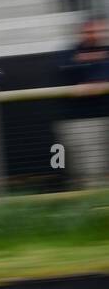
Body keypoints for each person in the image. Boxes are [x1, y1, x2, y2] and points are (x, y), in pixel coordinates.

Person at [57, 18, 109, 190]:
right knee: (84, 172)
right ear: (81, 33)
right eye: (89, 31)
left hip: (101, 117)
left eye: (99, 31)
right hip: (79, 120)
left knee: (96, 169)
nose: (94, 35)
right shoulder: (67, 54)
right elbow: (67, 72)